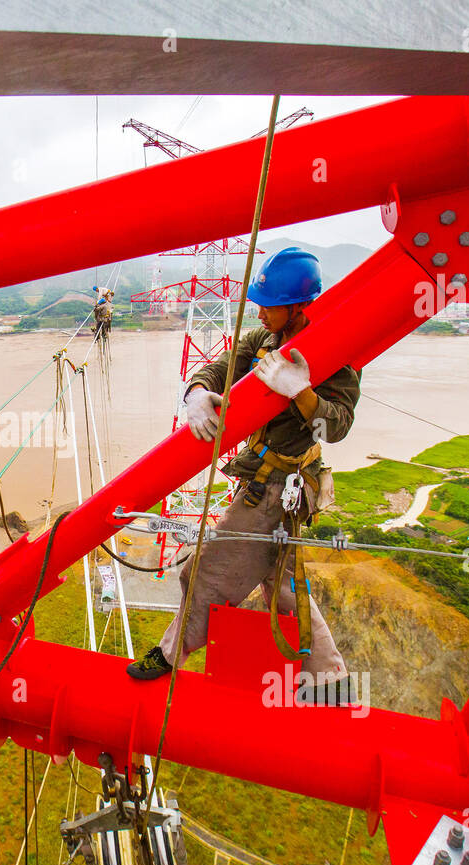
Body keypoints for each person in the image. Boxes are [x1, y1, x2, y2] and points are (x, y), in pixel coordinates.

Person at [126, 248, 361, 703]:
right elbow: (222, 366)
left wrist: (303, 394)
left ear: (297, 306)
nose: (259, 311)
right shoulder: (263, 341)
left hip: (276, 490)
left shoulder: (333, 356)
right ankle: (330, 680)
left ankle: (171, 654)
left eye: (269, 304)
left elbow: (337, 426)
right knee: (284, 585)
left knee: (205, 573)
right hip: (280, 487)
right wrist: (198, 391)